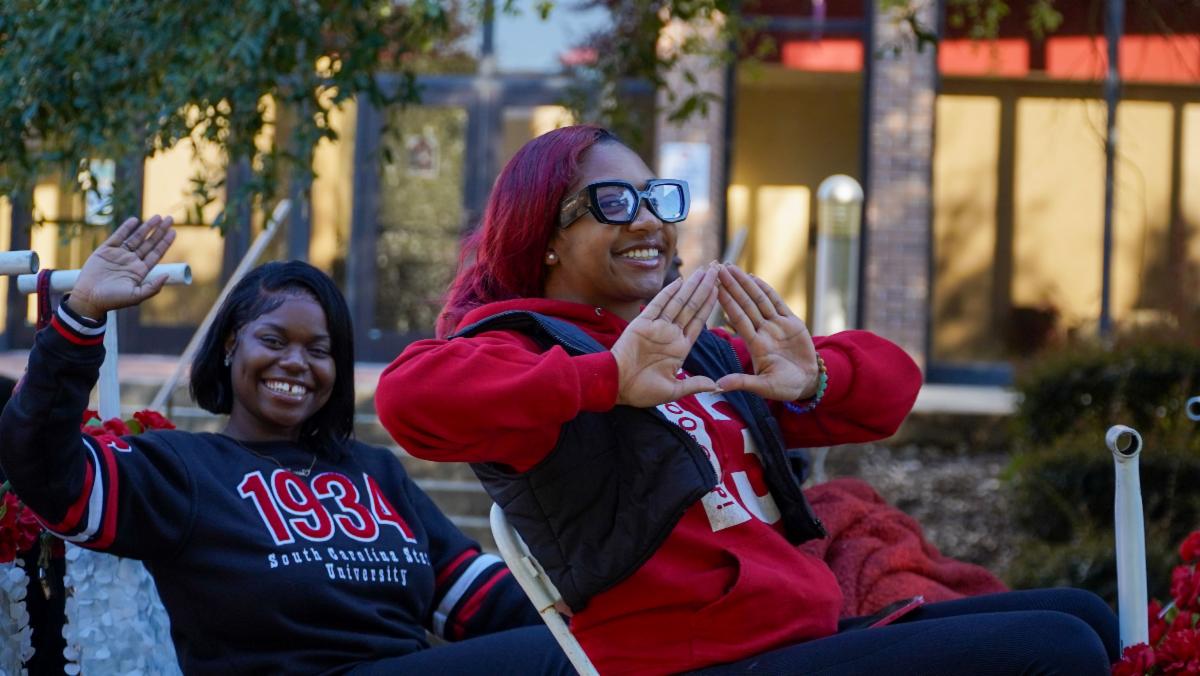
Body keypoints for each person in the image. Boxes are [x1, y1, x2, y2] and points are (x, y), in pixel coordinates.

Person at [375, 125, 1119, 675]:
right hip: (701, 661)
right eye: (611, 202)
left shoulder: (688, 346)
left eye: (656, 199)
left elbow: (893, 383)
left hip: (801, 633)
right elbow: (410, 400)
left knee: (1086, 614)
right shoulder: (526, 347)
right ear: (545, 238)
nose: (648, 221)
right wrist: (603, 379)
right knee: (1062, 650)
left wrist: (814, 378)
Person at [0, 215, 573, 676]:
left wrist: (602, 614)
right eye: (272, 340)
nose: (295, 363)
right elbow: (46, 469)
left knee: (592, 650)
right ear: (230, 346)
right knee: (562, 662)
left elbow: (473, 596)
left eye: (318, 350)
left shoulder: (374, 472)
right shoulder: (183, 469)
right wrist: (82, 318)